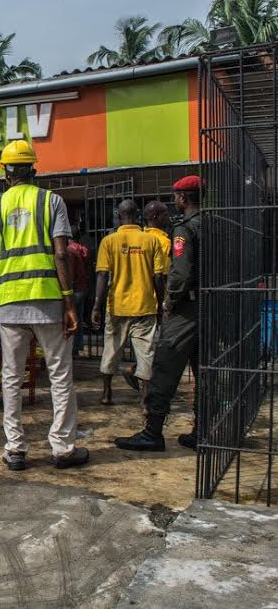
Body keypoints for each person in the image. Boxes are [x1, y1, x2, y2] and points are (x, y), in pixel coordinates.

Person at [0, 139, 89, 472]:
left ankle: (15, 449)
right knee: (59, 375)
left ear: (6, 173)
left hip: (11, 302)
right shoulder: (51, 201)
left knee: (11, 378)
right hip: (47, 301)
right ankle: (63, 448)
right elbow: (61, 253)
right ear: (34, 169)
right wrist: (69, 301)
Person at [116, 176, 203, 451]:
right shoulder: (215, 223)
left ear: (183, 199)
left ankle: (152, 431)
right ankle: (204, 429)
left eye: (176, 197)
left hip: (186, 308)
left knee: (163, 366)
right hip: (210, 306)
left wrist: (168, 303)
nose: (174, 202)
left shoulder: (184, 230)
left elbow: (180, 274)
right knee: (203, 369)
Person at [91, 199, 165, 405]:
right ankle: (144, 398)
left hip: (117, 307)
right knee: (146, 354)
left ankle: (106, 394)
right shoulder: (151, 241)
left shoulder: (109, 241)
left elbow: (102, 276)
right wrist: (162, 305)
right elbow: (159, 277)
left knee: (111, 350)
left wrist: (97, 306)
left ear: (117, 215)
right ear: (138, 215)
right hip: (145, 307)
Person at [66, 225, 90, 357]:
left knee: (70, 318)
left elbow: (70, 272)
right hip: (83, 287)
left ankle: (72, 347)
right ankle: (77, 346)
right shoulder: (83, 249)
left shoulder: (69, 250)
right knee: (79, 319)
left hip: (73, 289)